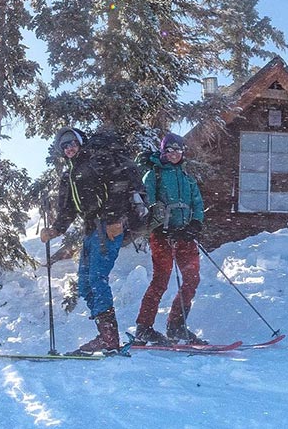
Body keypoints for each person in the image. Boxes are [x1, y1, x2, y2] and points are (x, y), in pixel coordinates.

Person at [38, 127, 133, 354]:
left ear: (80, 142)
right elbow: (69, 209)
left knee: (97, 279)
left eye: (72, 143)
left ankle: (110, 339)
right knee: (85, 285)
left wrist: (113, 220)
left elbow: (118, 187)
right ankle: (105, 335)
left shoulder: (97, 161)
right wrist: (55, 230)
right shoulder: (70, 174)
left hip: (106, 227)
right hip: (90, 230)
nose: (69, 148)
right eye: (64, 146)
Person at [133, 132, 206, 345]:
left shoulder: (187, 179)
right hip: (162, 236)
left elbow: (197, 204)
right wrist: (159, 227)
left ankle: (176, 325)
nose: (174, 153)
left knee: (192, 279)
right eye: (170, 149)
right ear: (163, 151)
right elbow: (147, 205)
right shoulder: (154, 175)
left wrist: (195, 224)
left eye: (178, 149)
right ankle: (144, 327)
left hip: (185, 235)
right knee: (161, 280)